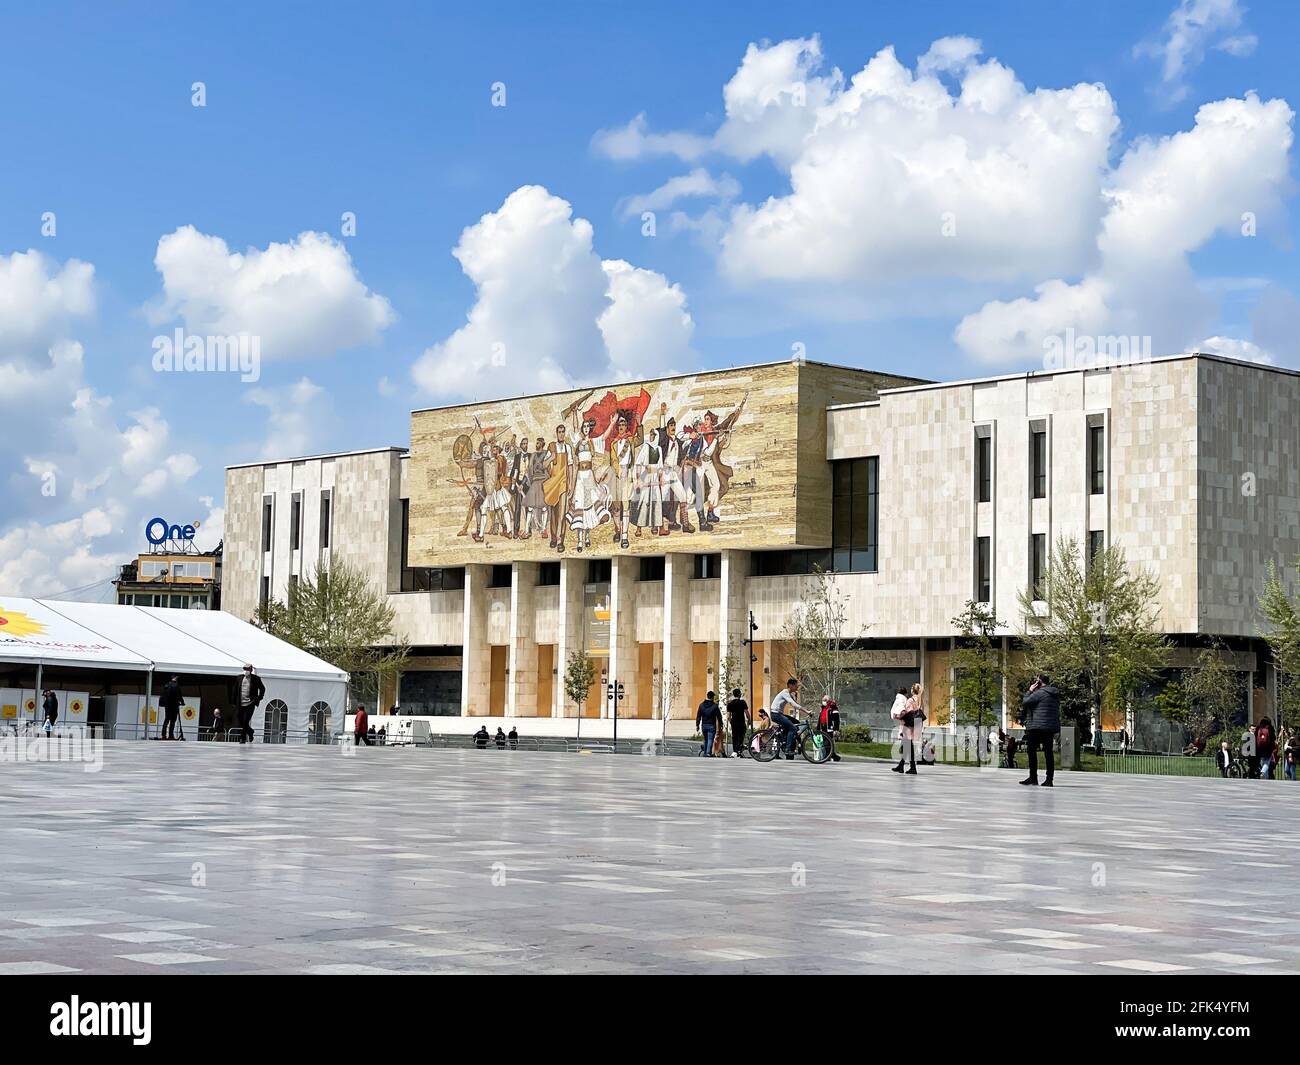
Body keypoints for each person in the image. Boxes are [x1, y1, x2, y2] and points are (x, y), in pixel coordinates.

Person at [1020, 674, 1060, 786]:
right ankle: (1049, 779)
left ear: (1039, 682)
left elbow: (1025, 702)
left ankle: (1033, 777)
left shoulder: (1039, 693)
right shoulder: (1054, 694)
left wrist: (1029, 691)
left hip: (1037, 726)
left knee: (1031, 751)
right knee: (1048, 753)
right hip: (1049, 727)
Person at [769, 678, 803, 759]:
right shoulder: (785, 692)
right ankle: (788, 748)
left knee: (796, 722)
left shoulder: (789, 693)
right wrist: (807, 711)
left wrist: (794, 696)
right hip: (776, 714)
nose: (797, 688)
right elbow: (793, 704)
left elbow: (793, 703)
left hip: (779, 714)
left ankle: (789, 739)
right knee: (793, 728)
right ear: (791, 685)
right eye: (796, 686)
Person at [234, 663, 265, 744]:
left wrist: (259, 698)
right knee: (240, 720)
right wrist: (234, 702)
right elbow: (235, 690)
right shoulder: (239, 678)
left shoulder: (256, 679)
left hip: (250, 703)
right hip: (240, 704)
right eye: (244, 669)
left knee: (245, 721)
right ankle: (250, 731)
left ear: (251, 670)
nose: (246, 671)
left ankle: (242, 738)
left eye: (247, 669)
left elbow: (262, 688)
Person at [889, 687, 915, 774]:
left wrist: (899, 716)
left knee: (908, 746)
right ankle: (902, 766)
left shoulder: (903, 699)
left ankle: (911, 767)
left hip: (906, 725)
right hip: (909, 725)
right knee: (907, 746)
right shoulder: (909, 699)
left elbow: (903, 712)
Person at [696, 691, 722, 757]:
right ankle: (708, 753)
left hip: (704, 725)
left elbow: (698, 716)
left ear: (707, 696)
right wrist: (721, 724)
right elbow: (719, 716)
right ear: (712, 697)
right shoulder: (715, 706)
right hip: (711, 725)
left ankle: (705, 753)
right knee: (710, 739)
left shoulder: (701, 705)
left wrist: (697, 725)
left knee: (706, 739)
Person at [726, 688, 750, 757]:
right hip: (741, 722)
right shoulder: (742, 702)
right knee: (741, 736)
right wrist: (749, 720)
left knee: (734, 737)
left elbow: (728, 716)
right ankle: (739, 751)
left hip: (734, 722)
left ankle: (735, 751)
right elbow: (747, 713)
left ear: (733, 695)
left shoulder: (730, 703)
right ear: (739, 694)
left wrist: (731, 722)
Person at [159, 675, 183, 741]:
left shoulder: (166, 685)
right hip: (174, 706)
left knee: (166, 720)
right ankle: (171, 735)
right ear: (175, 678)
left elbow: (163, 695)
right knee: (173, 721)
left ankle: (163, 735)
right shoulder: (176, 686)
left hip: (167, 706)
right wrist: (182, 702)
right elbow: (179, 696)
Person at [818, 696, 842, 762]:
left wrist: (836, 729)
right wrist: (818, 728)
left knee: (827, 743)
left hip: (829, 727)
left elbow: (836, 719)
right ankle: (833, 756)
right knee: (826, 742)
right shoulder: (823, 708)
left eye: (825, 700)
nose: (823, 701)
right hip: (823, 727)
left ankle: (828, 756)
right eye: (823, 700)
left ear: (828, 700)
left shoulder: (833, 708)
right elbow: (820, 718)